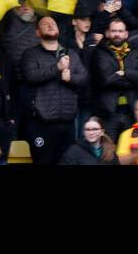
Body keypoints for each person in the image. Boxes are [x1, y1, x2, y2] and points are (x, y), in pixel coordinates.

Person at [19, 15, 89, 163]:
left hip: (67, 122)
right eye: (45, 24)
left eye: (53, 23)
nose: (51, 25)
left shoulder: (71, 53)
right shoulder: (30, 54)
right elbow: (30, 76)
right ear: (37, 32)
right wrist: (57, 68)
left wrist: (71, 78)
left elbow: (84, 78)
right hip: (41, 123)